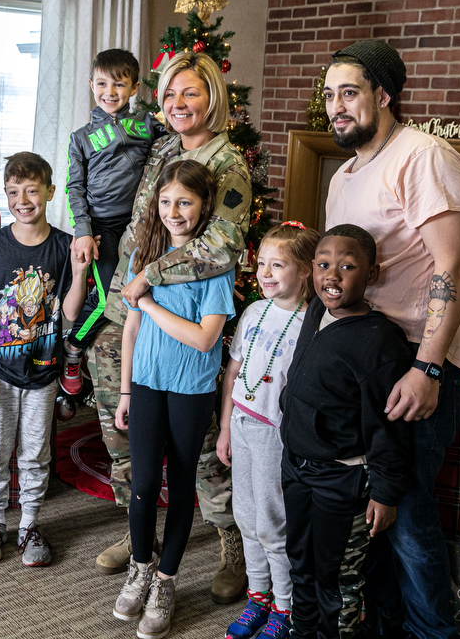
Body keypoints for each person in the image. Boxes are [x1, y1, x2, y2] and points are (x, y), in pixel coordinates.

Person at [88, 50, 254, 605]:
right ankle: (140, 532)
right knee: (125, 422)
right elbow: (140, 226)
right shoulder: (161, 148)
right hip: (131, 302)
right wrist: (121, 299)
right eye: (171, 95)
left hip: (183, 310)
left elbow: (220, 246)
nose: (179, 104)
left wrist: (149, 280)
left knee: (199, 444)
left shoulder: (228, 164)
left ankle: (229, 537)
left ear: (213, 98)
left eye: (192, 93)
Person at [321, 39, 460, 639]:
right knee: (374, 512)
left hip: (415, 363)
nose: (337, 106)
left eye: (350, 92)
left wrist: (429, 369)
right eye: (329, 95)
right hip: (365, 360)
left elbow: (453, 265)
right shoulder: (345, 175)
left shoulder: (425, 157)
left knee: (407, 514)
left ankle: (435, 633)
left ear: (384, 96)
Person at [112, 159, 236, 639]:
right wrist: (124, 389)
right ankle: (140, 567)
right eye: (165, 202)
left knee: (182, 485)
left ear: (204, 206)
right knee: (142, 483)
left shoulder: (214, 267)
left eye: (185, 202)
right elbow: (131, 330)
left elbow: (204, 339)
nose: (174, 211)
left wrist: (144, 300)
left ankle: (165, 581)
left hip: (191, 389)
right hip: (144, 383)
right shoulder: (146, 256)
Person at [280, 225, 413, 639]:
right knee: (299, 561)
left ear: (371, 274)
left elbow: (387, 424)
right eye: (323, 265)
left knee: (335, 578)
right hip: (298, 465)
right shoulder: (317, 310)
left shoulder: (380, 341)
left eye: (347, 266)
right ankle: (301, 632)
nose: (331, 276)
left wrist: (385, 492)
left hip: (343, 477)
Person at [0, 152, 88, 567]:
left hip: (42, 373)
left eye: (32, 190)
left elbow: (71, 313)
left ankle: (31, 524)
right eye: (14, 192)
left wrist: (80, 268)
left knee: (35, 453)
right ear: (5, 195)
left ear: (50, 192)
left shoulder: (63, 246)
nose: (23, 199)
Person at [216, 221, 321, 639]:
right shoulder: (253, 312)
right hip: (240, 423)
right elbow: (234, 371)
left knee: (271, 522)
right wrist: (224, 426)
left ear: (306, 272)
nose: (265, 273)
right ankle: (258, 596)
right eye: (262, 263)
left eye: (278, 265)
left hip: (274, 434)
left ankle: (285, 607)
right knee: (244, 516)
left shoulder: (311, 321)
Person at [61, 48, 166, 395]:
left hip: (140, 225)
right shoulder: (80, 138)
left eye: (119, 84)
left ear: (134, 87)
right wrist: (84, 233)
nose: (110, 92)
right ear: (91, 85)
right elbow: (74, 188)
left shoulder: (147, 124)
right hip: (102, 229)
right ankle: (73, 348)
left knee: (138, 291)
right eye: (102, 83)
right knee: (108, 298)